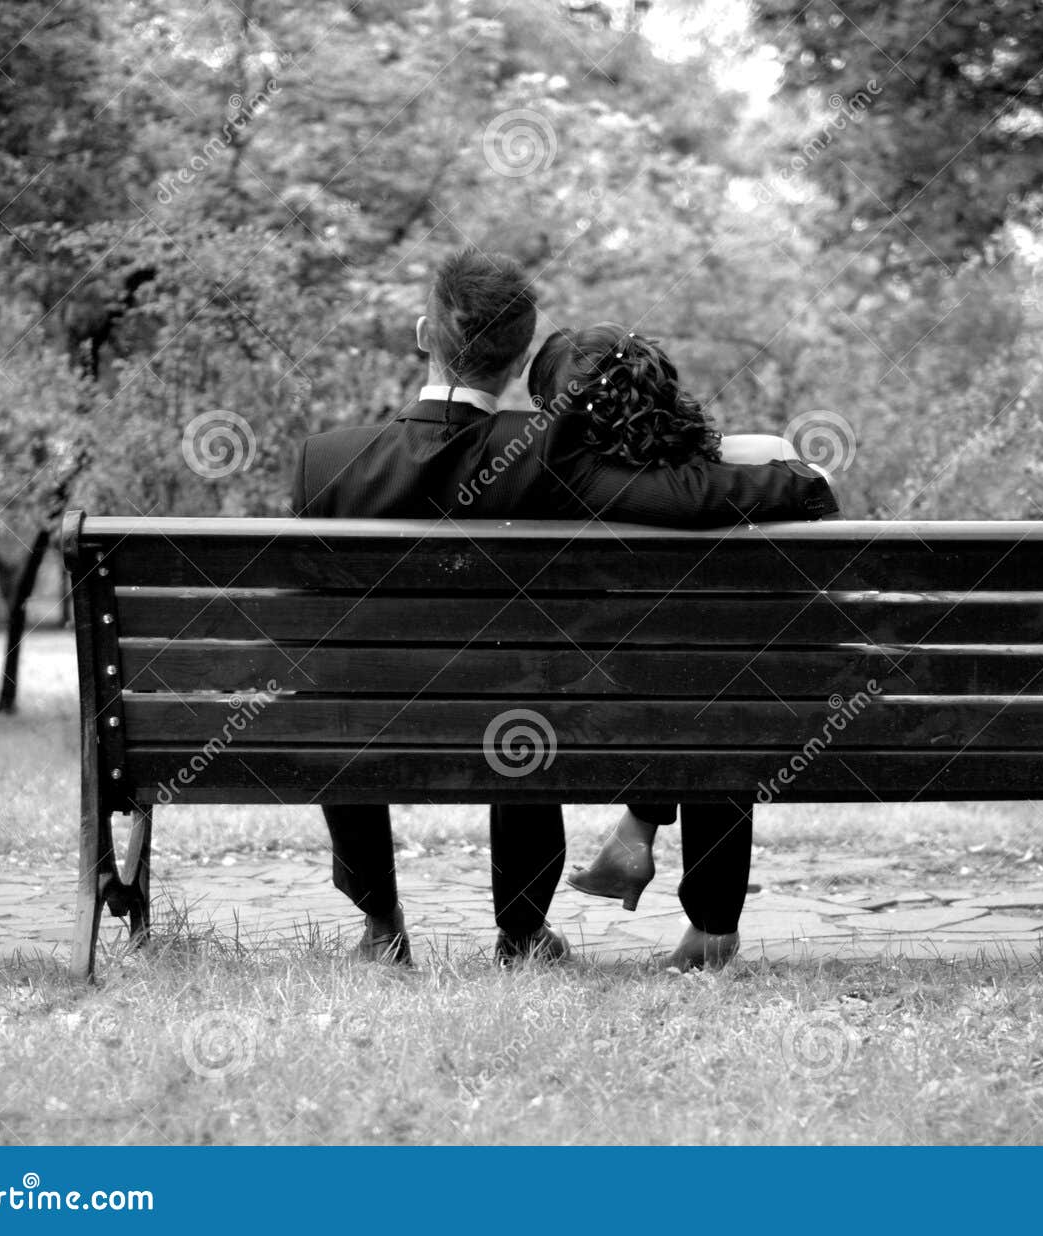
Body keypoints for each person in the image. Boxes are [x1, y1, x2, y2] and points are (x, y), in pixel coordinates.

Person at [290, 248, 838, 970]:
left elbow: (303, 633)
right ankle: (520, 934)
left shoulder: (322, 462)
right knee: (519, 690)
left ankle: (381, 921)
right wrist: (799, 479)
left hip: (365, 720)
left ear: (427, 334)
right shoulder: (546, 452)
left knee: (336, 692)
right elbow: (687, 493)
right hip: (520, 725)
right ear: (521, 360)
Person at [524, 324, 816, 944]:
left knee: (694, 666)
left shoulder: (550, 480)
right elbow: (814, 481)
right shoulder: (722, 485)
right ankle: (709, 920)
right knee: (717, 666)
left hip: (567, 707)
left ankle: (634, 839)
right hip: (752, 698)